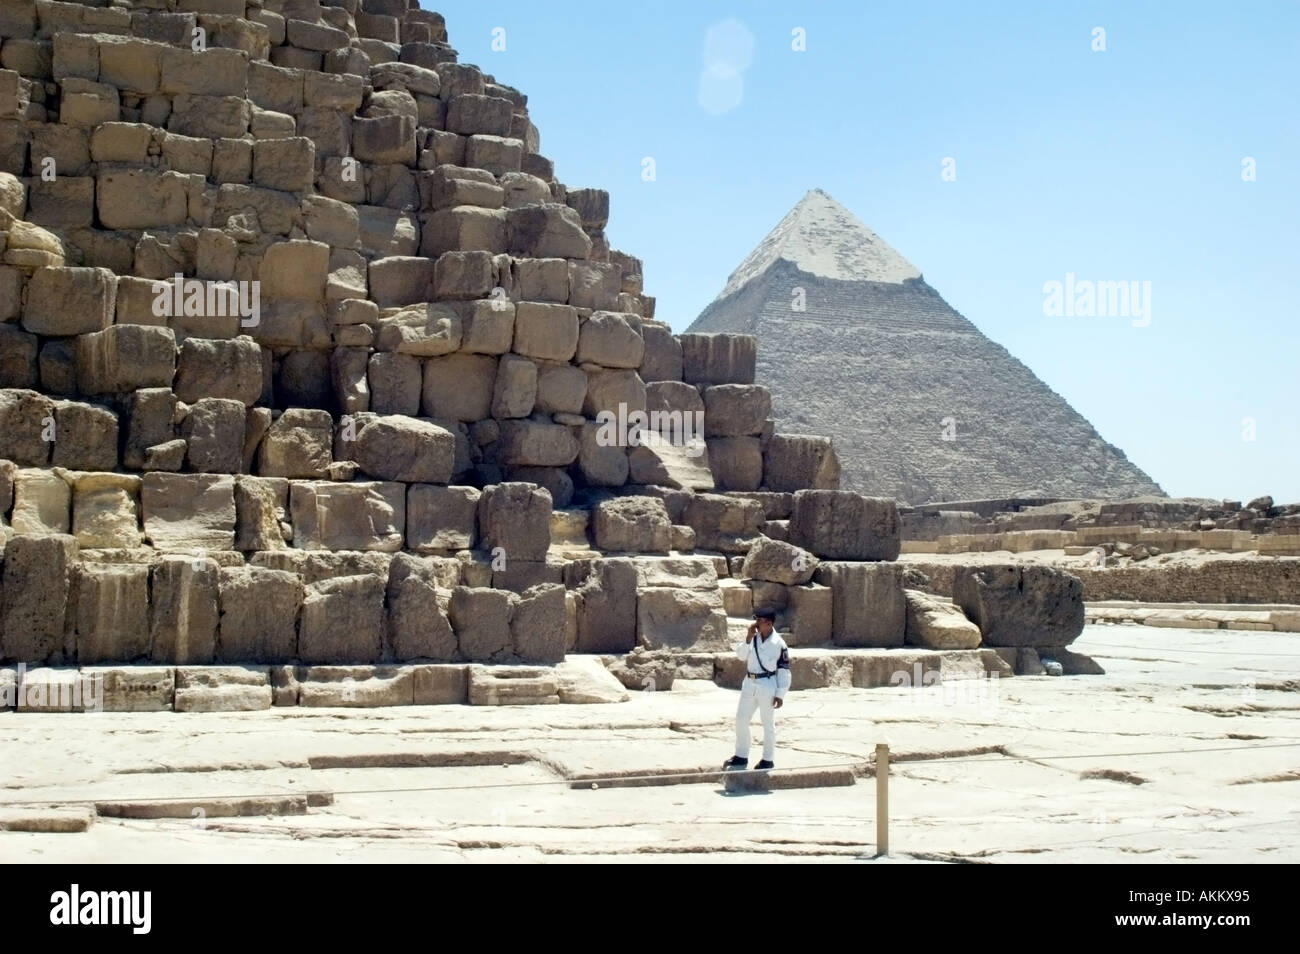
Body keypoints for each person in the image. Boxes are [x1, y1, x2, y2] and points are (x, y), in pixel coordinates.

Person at [723, 607, 791, 771]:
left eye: (759, 620)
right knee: (741, 719)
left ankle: (768, 759)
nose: (756, 623)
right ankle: (741, 755)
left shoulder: (779, 644)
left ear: (768, 623)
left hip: (767, 684)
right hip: (749, 683)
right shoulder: (753, 638)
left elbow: (784, 670)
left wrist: (780, 693)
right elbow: (741, 656)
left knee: (767, 724)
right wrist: (747, 638)